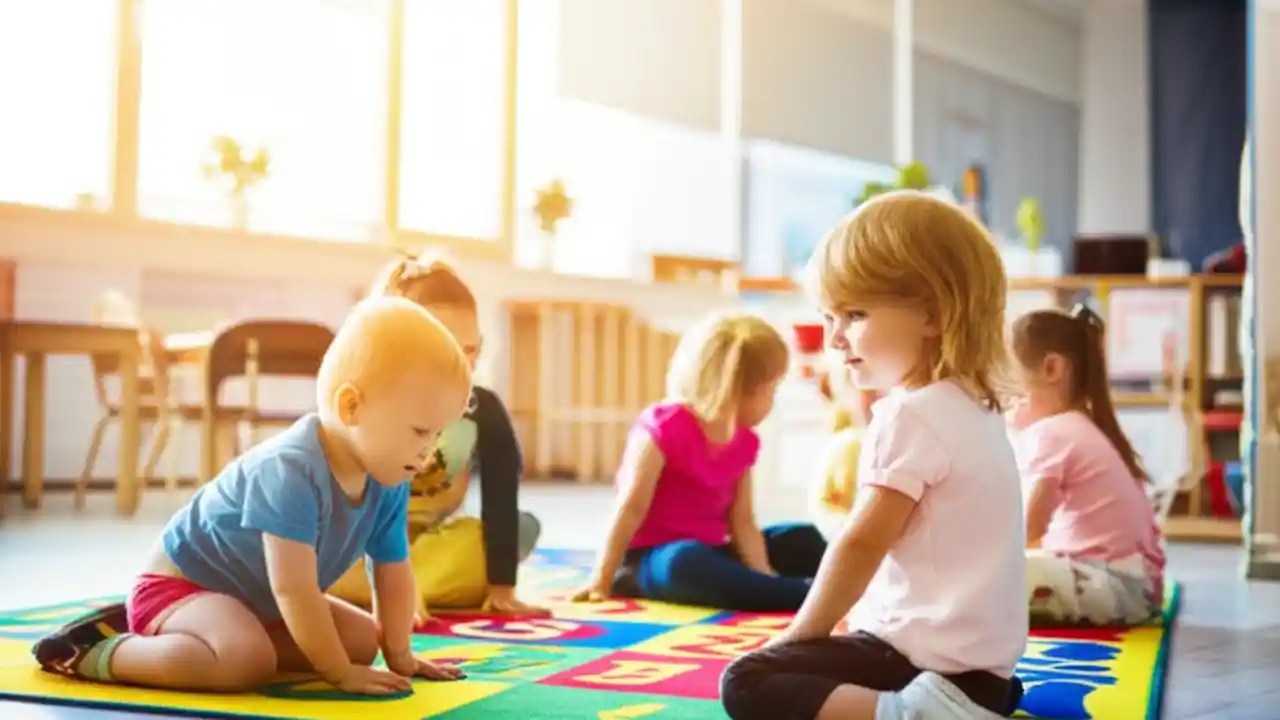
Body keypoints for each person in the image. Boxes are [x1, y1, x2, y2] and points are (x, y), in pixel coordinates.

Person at [33, 296, 471, 696]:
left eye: (435, 434)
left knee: (360, 642)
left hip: (254, 602)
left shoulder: (389, 476)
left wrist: (399, 656)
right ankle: (97, 651)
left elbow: (392, 572)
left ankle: (220, 641)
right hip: (182, 588)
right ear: (351, 407)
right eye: (419, 431)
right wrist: (337, 673)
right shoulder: (290, 471)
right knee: (245, 661)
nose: (428, 450)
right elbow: (294, 590)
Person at [721, 191, 1027, 720]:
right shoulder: (977, 407)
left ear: (931, 313)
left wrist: (798, 639)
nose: (836, 338)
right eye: (829, 317)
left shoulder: (910, 413)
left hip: (925, 668)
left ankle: (908, 714)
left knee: (749, 679)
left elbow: (861, 543)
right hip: (990, 680)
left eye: (855, 314)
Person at [329, 253, 546, 618]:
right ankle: (384, 585)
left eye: (471, 350)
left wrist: (502, 589)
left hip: (429, 545)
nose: (462, 365)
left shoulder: (483, 409)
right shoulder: (372, 406)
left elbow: (500, 494)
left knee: (520, 529)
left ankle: (393, 586)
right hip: (360, 544)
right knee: (307, 552)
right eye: (447, 348)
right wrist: (395, 580)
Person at [571, 312, 827, 612]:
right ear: (737, 392)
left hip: (712, 550)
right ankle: (809, 595)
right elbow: (629, 508)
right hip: (651, 560)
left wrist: (763, 576)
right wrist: (601, 577)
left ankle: (818, 587)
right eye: (771, 388)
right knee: (687, 562)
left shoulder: (744, 440)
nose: (774, 399)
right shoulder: (663, 427)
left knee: (802, 537)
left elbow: (742, 522)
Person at [1007, 305, 1166, 626]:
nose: (1008, 403)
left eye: (1012, 391)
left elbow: (1027, 530)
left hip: (1114, 586)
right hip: (1135, 587)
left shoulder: (1054, 431)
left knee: (984, 579)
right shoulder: (1080, 425)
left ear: (1052, 369)